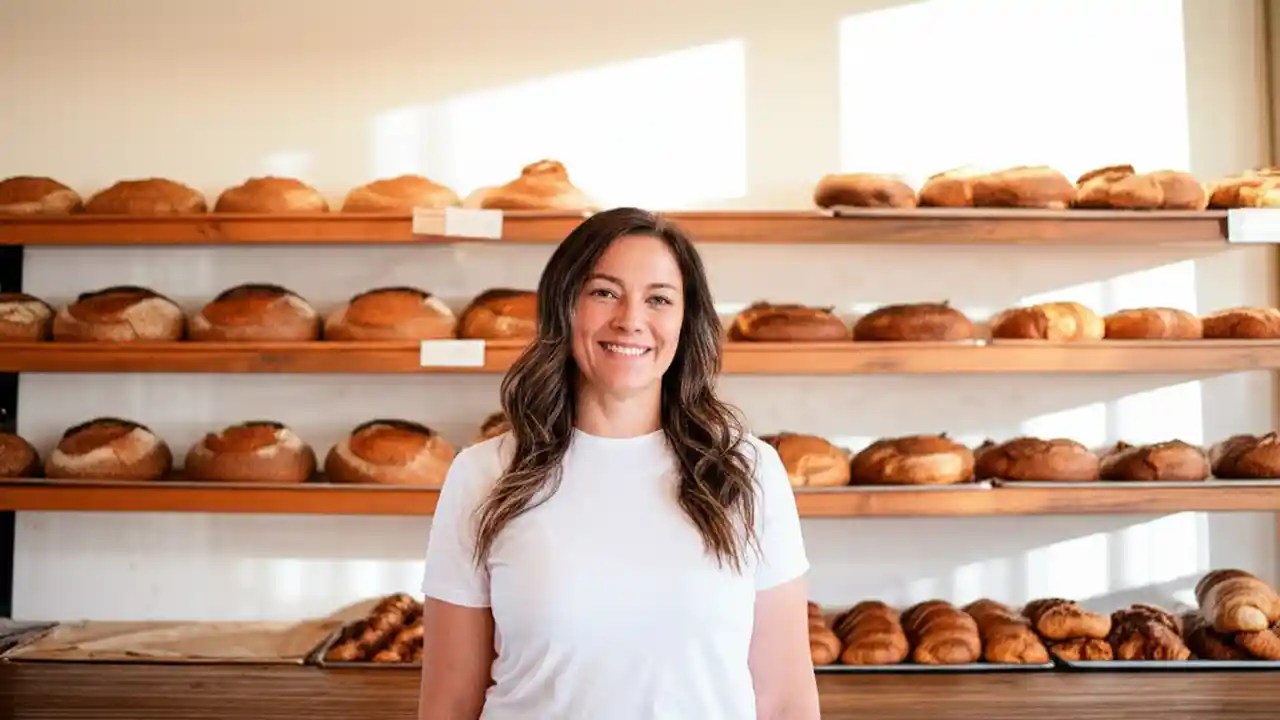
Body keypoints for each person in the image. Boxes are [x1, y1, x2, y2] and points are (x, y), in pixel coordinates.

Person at [417, 207, 819, 719]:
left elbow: (786, 697)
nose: (631, 319)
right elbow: (449, 702)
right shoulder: (484, 475)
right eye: (604, 292)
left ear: (684, 320)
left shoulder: (747, 471)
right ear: (565, 307)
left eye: (658, 299)